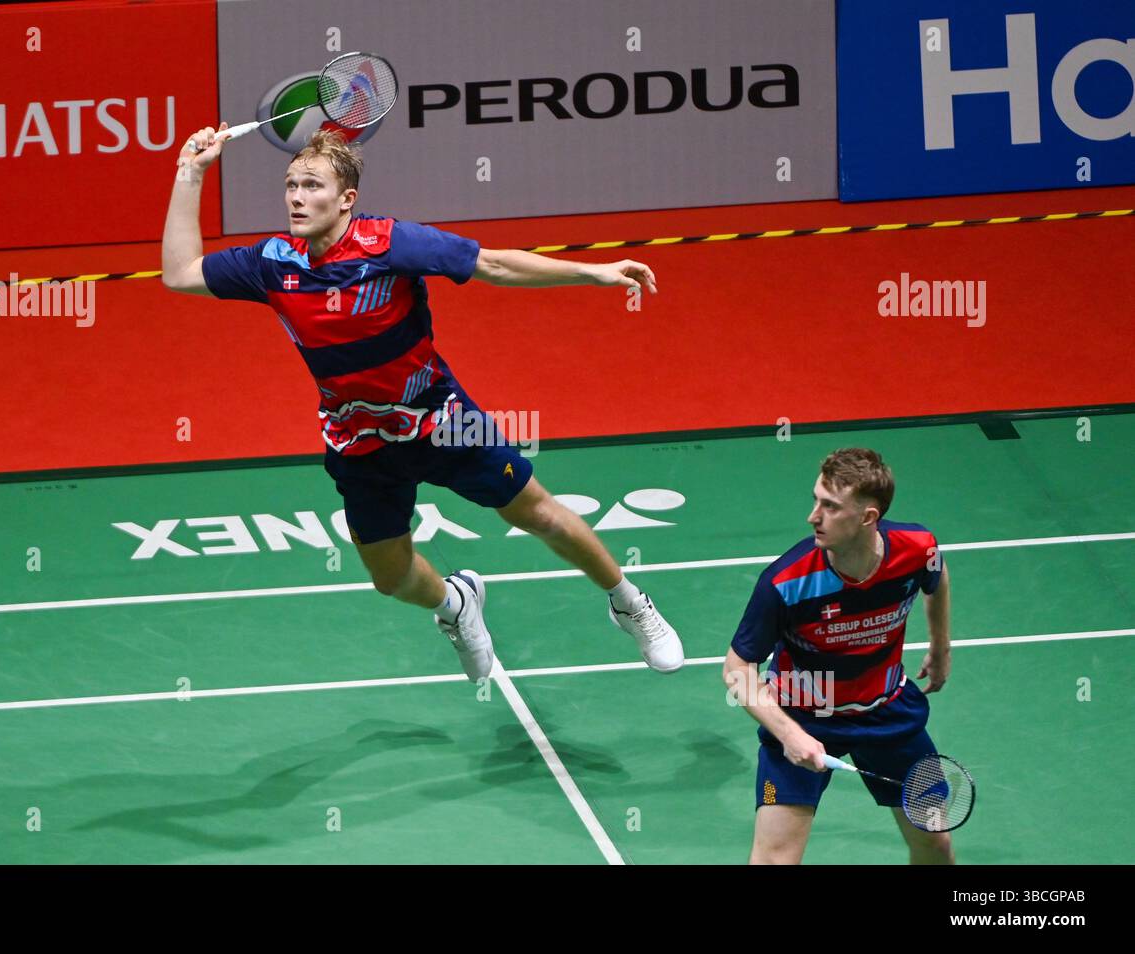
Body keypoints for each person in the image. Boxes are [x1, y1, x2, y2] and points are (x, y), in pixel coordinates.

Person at [161, 123, 684, 681]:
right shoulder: (274, 263)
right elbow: (180, 273)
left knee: (537, 512)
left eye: (312, 185)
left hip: (438, 418)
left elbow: (495, 264)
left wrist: (593, 271)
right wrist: (190, 173)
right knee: (390, 577)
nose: (296, 196)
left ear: (346, 199)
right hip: (359, 440)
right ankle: (457, 605)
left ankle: (631, 605)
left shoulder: (390, 243)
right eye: (291, 184)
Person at [722, 447, 955, 864]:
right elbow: (737, 670)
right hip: (803, 716)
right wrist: (790, 734)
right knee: (775, 859)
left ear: (868, 517)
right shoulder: (786, 582)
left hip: (888, 715)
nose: (813, 516)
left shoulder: (917, 547)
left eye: (830, 507)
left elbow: (936, 577)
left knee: (935, 841)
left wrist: (940, 648)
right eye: (816, 500)